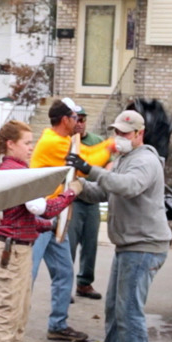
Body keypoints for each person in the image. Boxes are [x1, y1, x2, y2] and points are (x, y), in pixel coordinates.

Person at [0, 121, 82, 342]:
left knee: (18, 312)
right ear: (11, 144)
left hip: (16, 248)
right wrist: (70, 193)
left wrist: (45, 226)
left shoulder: (10, 171)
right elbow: (43, 207)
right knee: (8, 314)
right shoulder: (19, 174)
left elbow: (22, 215)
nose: (31, 147)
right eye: (27, 142)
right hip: (11, 251)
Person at [67, 110, 171, 342]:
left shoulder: (146, 161)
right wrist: (78, 186)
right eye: (117, 132)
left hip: (144, 246)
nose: (119, 137)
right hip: (130, 245)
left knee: (129, 311)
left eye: (125, 133)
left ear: (139, 134)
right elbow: (104, 191)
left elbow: (127, 187)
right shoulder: (124, 159)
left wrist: (89, 170)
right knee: (115, 308)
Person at [29, 98, 117, 342]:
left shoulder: (62, 140)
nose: (79, 122)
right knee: (28, 277)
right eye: (76, 117)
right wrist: (112, 145)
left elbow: (84, 156)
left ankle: (58, 325)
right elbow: (86, 161)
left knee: (65, 272)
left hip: (55, 215)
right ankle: (12, 336)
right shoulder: (53, 142)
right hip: (40, 216)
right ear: (65, 119)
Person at [67, 109, 105, 300]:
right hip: (73, 200)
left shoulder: (96, 141)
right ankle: (66, 286)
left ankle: (85, 283)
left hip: (92, 199)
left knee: (90, 245)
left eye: (83, 120)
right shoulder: (67, 142)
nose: (80, 123)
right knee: (70, 245)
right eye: (77, 120)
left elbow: (108, 164)